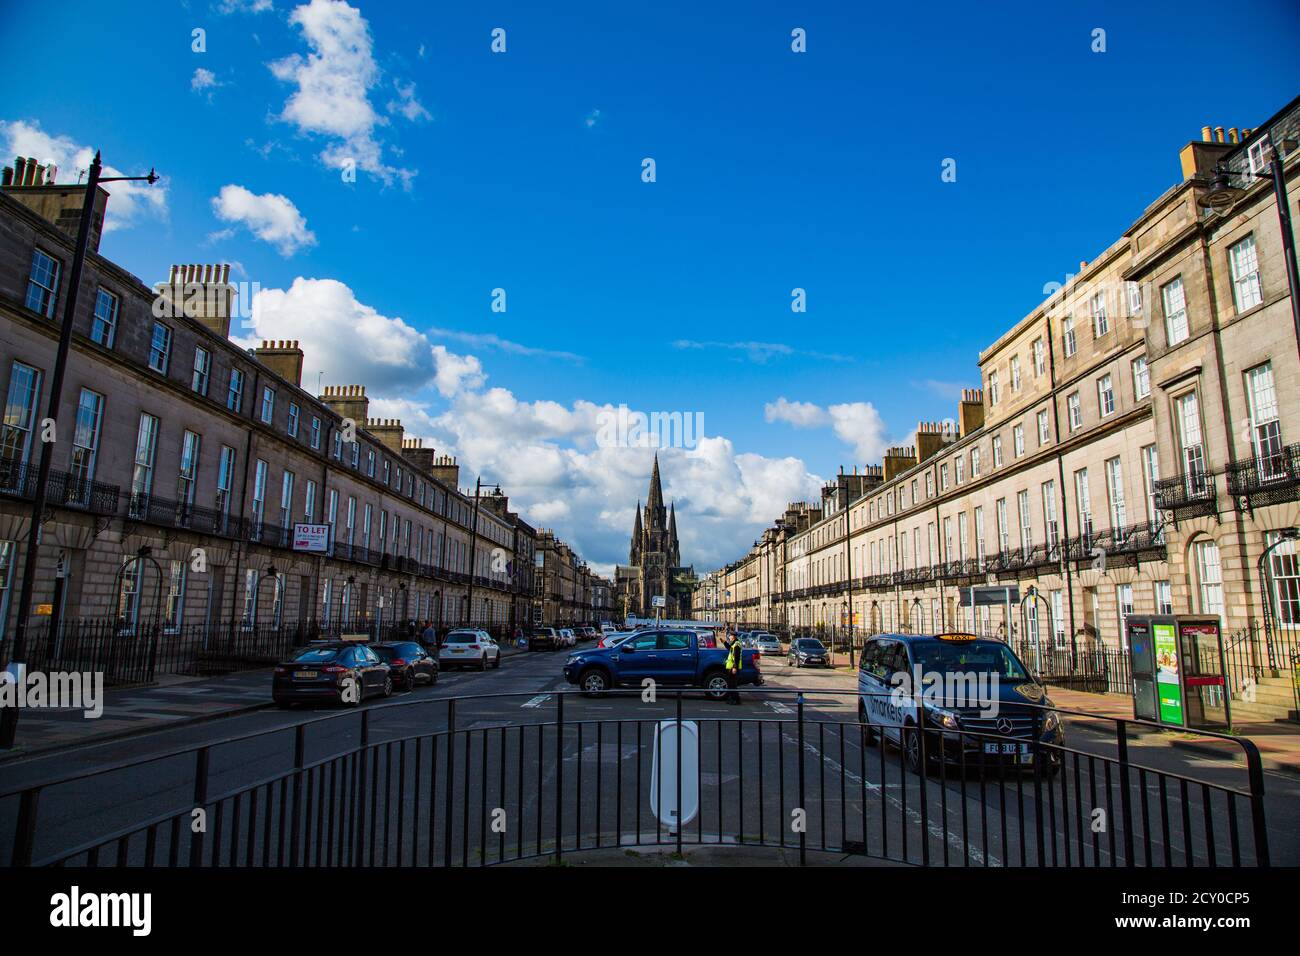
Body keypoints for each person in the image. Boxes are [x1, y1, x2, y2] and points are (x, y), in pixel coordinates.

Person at [723, 632, 742, 705]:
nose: (729, 637)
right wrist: (724, 642)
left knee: (733, 684)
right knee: (731, 684)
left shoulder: (736, 645)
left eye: (730, 636)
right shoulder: (734, 644)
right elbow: (730, 649)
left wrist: (735, 667)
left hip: (733, 668)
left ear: (733, 636)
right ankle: (732, 699)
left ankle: (736, 700)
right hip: (731, 667)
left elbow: (736, 657)